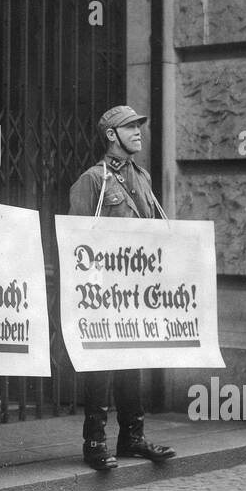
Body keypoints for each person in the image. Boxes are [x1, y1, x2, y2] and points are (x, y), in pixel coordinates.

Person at [68, 105, 177, 470]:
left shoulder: (141, 177)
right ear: (111, 135)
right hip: (104, 293)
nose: (138, 133)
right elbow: (77, 242)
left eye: (139, 127)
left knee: (134, 362)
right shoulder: (92, 180)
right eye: (130, 127)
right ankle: (95, 442)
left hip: (137, 292)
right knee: (101, 364)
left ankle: (133, 437)